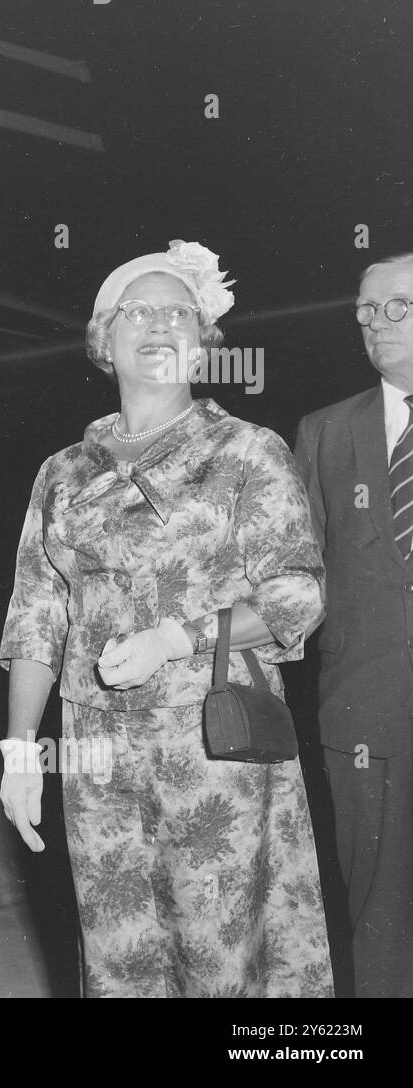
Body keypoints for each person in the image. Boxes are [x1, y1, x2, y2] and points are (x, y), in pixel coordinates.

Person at [0, 240, 333, 997]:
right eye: (136, 312)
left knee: (226, 962)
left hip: (217, 745)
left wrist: (174, 638)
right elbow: (36, 616)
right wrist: (21, 754)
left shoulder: (249, 452)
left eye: (177, 311)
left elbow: (299, 593)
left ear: (204, 342)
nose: (157, 324)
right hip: (97, 756)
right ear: (102, 340)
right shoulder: (62, 472)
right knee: (121, 962)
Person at [295, 252, 413, 997]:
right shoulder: (324, 433)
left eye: (397, 306)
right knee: (377, 915)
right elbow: (293, 579)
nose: (376, 323)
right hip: (365, 717)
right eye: (366, 311)